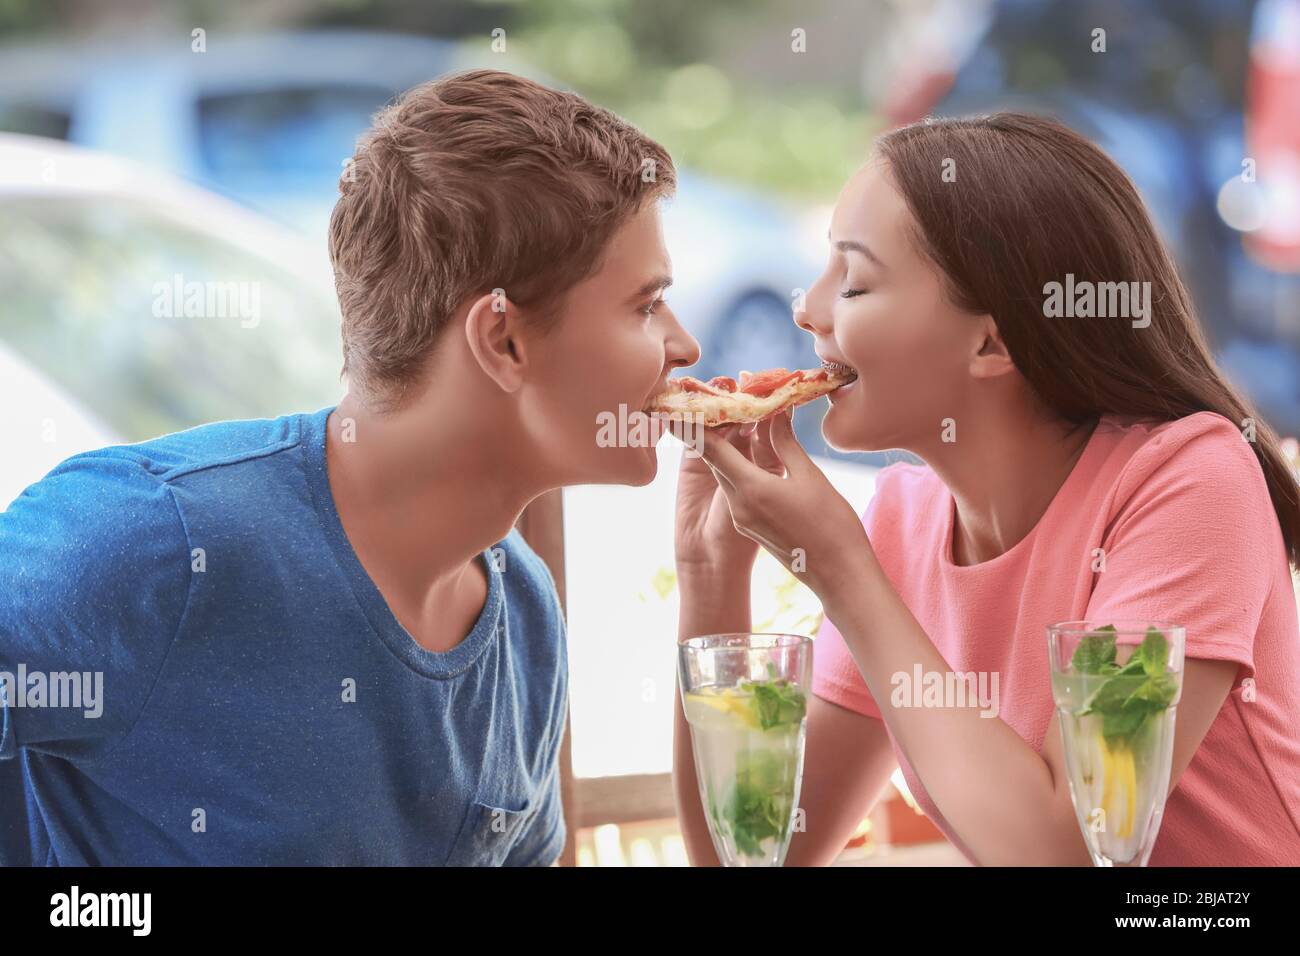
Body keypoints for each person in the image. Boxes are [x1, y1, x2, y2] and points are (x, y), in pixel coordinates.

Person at [0, 69, 699, 865]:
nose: (686, 347)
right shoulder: (151, 540)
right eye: (646, 306)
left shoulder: (526, 616)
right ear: (503, 340)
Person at [672, 113, 1300, 866]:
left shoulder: (1190, 482)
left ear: (991, 341)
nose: (807, 310)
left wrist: (839, 570)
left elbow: (1073, 852)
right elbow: (756, 856)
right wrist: (710, 576)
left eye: (857, 280)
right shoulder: (904, 524)